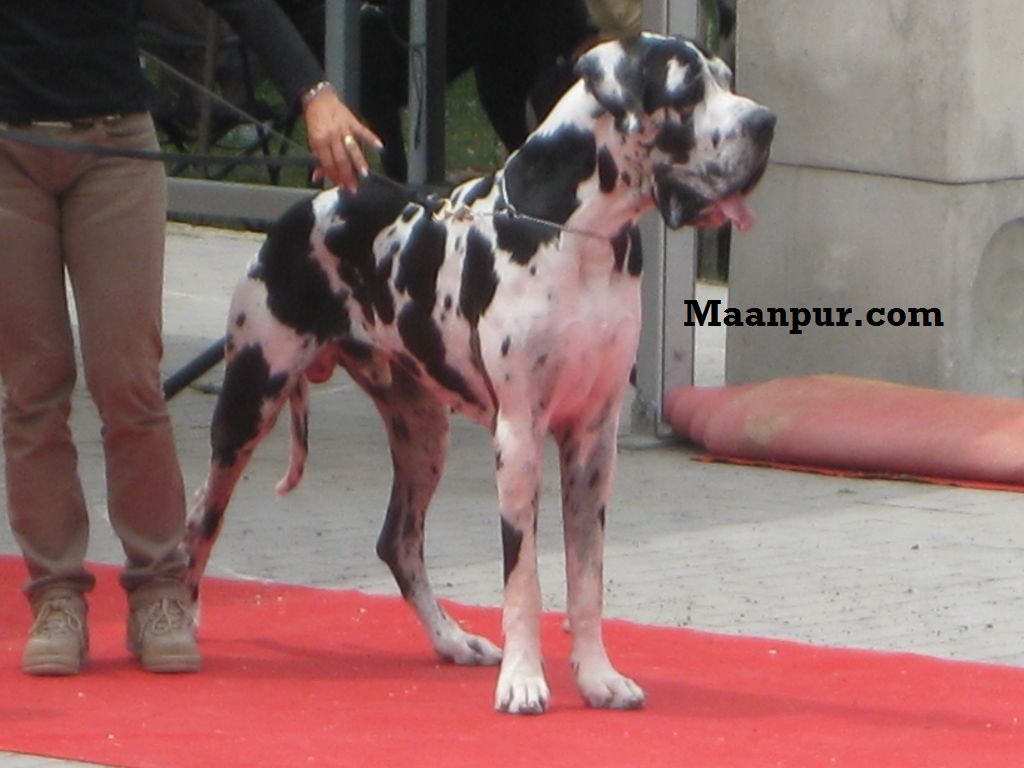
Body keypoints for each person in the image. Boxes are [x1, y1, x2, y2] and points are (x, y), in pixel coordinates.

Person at [0, 0, 380, 676]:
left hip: (112, 148)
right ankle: (56, 594)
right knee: (33, 382)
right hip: (9, 151)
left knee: (128, 378)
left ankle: (158, 587)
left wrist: (313, 93)